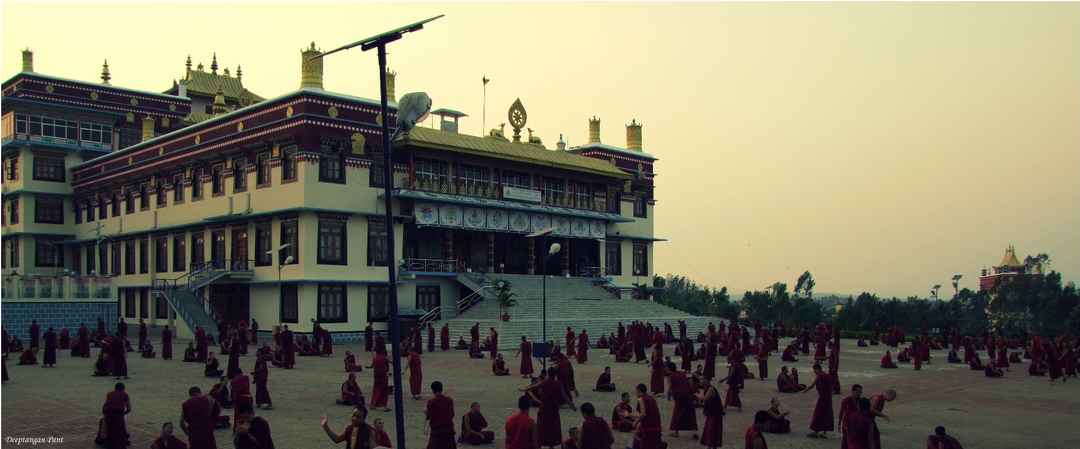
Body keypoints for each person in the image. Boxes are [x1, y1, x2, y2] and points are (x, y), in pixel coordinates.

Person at [528, 367, 577, 449]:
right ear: (555, 374)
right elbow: (564, 396)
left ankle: (540, 445)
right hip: (553, 409)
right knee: (553, 428)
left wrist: (525, 388)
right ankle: (552, 446)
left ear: (548, 373)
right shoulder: (558, 383)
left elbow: (534, 386)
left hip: (544, 409)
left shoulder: (544, 382)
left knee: (542, 427)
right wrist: (572, 406)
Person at [803, 363, 834, 439]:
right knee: (827, 414)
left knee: (818, 414)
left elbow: (813, 385)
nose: (814, 372)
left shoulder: (821, 376)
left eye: (814, 370)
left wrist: (805, 391)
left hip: (823, 398)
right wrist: (806, 390)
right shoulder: (824, 375)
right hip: (828, 398)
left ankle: (816, 431)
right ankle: (824, 432)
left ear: (817, 369)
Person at [668, 368, 698, 439]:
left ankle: (676, 432)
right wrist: (691, 392)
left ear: (668, 369)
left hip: (679, 396)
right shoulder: (682, 373)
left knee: (677, 414)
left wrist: (669, 395)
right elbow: (689, 381)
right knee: (690, 413)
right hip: (687, 395)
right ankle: (694, 432)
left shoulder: (671, 376)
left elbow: (671, 386)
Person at [426, 381, 457, 449]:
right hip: (449, 430)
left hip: (437, 432)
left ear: (433, 391)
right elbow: (452, 414)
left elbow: (429, 416)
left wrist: (426, 412)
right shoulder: (449, 400)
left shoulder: (431, 402)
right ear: (442, 389)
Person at [101, 382, 131, 449]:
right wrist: (123, 414)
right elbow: (129, 409)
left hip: (108, 413)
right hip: (118, 415)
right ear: (123, 389)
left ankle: (107, 441)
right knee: (121, 429)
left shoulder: (109, 394)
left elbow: (106, 405)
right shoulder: (125, 394)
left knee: (109, 428)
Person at [635, 383, 664, 449]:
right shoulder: (652, 398)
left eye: (636, 391)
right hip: (657, 427)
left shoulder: (641, 399)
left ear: (639, 391)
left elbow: (643, 414)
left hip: (648, 428)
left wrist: (635, 423)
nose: (636, 393)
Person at [699, 377, 724, 449]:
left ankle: (711, 446)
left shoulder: (711, 389)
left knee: (712, 429)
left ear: (707, 381)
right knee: (710, 429)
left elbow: (704, 399)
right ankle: (710, 446)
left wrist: (695, 396)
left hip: (715, 413)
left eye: (703, 380)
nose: (702, 381)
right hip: (711, 412)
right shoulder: (706, 388)